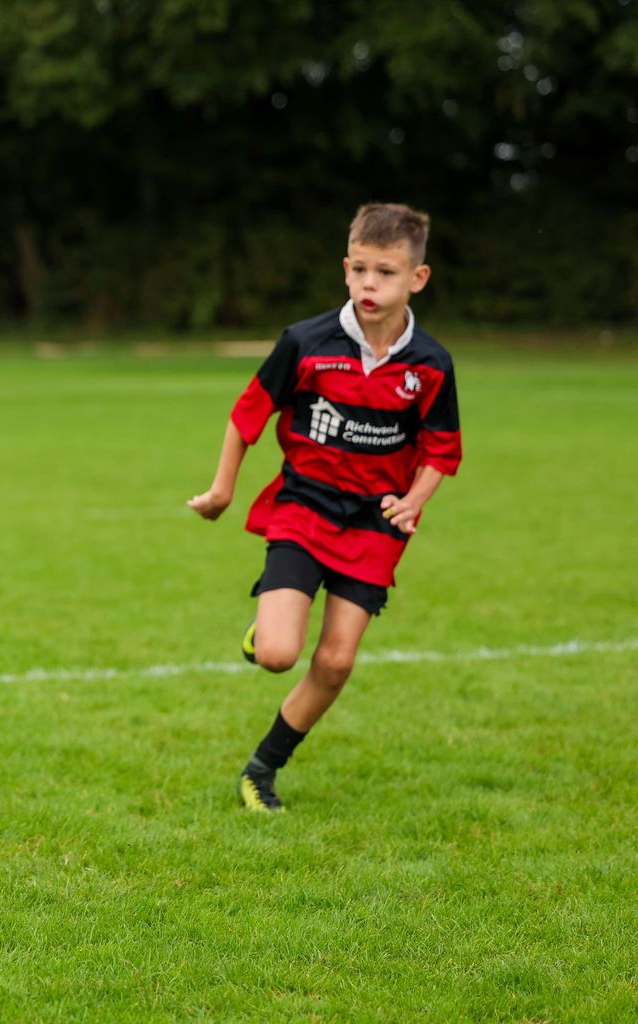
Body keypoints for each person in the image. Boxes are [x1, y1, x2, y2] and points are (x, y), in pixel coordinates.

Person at [187, 202, 462, 812]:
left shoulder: (431, 365)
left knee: (336, 662)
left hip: (374, 524)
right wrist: (223, 490)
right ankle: (270, 626)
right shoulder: (306, 342)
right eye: (360, 269)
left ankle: (262, 770)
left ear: (417, 278)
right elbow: (248, 414)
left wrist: (414, 501)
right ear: (345, 268)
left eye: (386, 272)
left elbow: (442, 452)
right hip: (303, 508)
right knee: (281, 655)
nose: (370, 284)